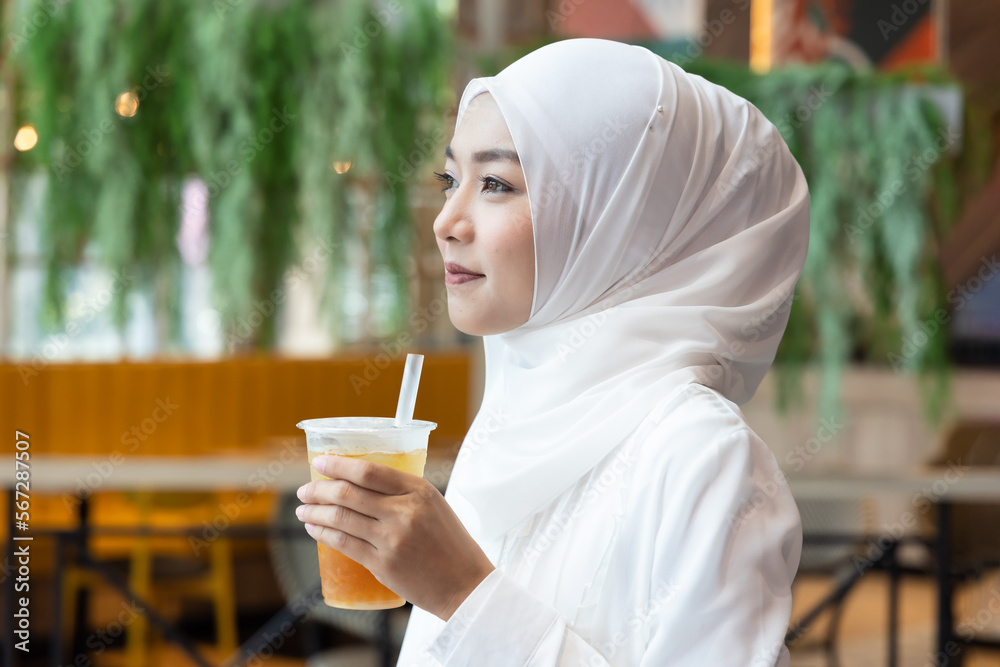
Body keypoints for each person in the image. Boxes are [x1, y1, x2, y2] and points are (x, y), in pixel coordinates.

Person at [295, 37, 810, 666]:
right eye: (449, 179)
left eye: (495, 183)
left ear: (616, 221)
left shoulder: (700, 456)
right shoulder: (512, 426)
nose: (446, 220)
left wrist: (463, 593)